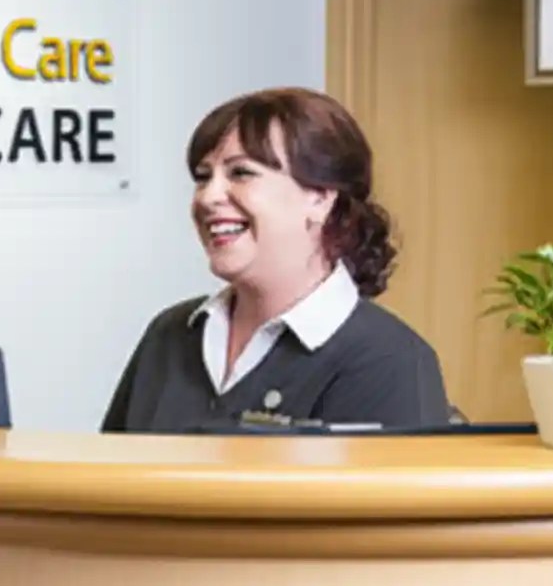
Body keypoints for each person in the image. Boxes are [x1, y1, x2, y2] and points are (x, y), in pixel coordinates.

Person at [101, 87, 450, 433]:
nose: (208, 197)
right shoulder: (170, 334)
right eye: (203, 177)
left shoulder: (391, 360)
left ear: (320, 197)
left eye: (241, 173)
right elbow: (106, 482)